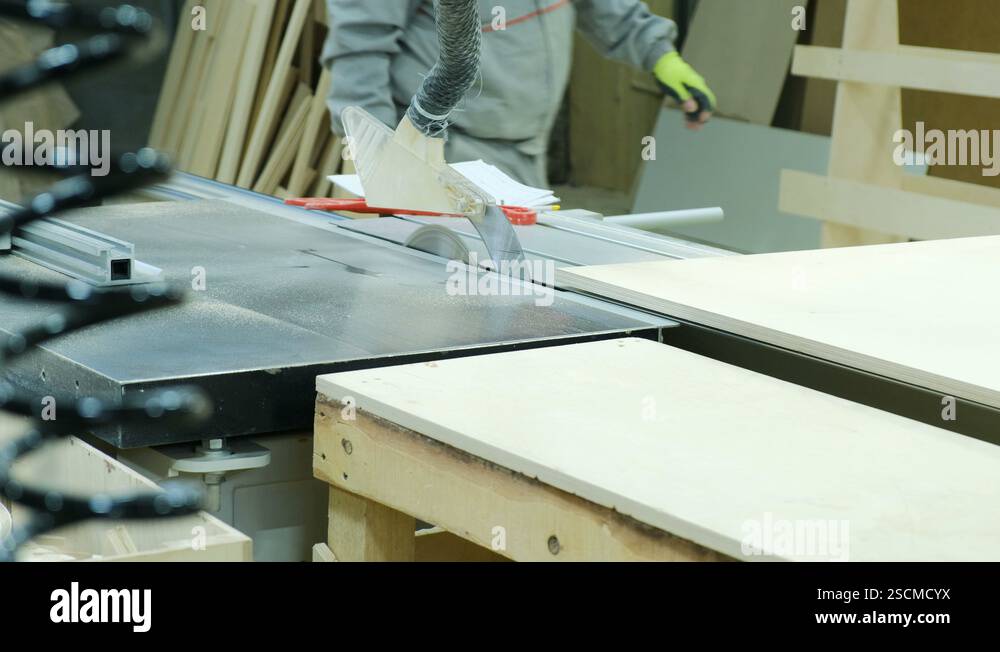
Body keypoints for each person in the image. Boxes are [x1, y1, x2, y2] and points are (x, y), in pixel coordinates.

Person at [322, 0, 715, 187]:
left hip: (527, 155)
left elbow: (604, 6)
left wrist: (658, 55)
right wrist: (382, 159)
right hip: (443, 153)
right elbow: (360, 48)